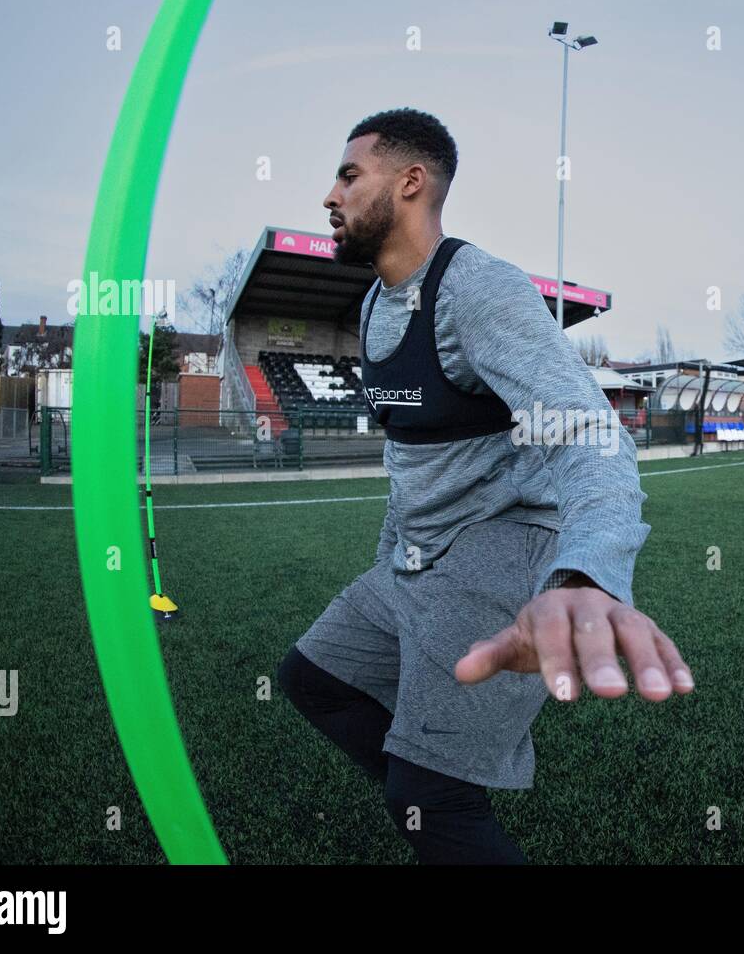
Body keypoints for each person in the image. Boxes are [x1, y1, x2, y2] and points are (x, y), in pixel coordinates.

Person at [278, 108, 694, 865]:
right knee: (311, 680)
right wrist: (393, 556)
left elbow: (591, 433)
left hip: (503, 554)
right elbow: (414, 460)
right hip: (415, 561)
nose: (329, 197)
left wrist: (584, 572)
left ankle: (437, 792)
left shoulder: (478, 290)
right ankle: (434, 783)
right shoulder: (374, 304)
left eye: (347, 175)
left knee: (427, 799)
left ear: (410, 182)